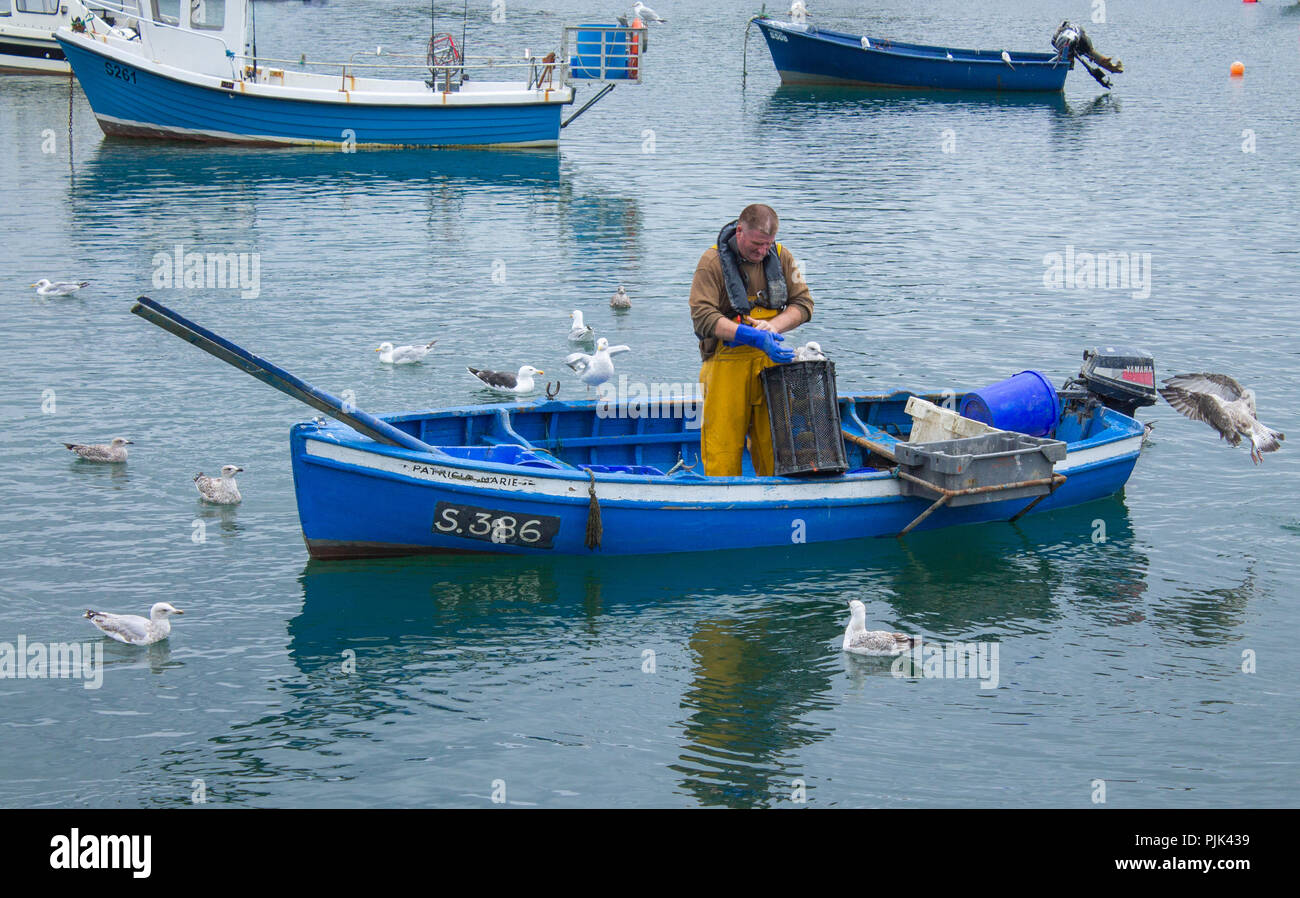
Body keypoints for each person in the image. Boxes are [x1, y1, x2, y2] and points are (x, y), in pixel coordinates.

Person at [689, 204, 813, 476]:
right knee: (722, 450)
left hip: (772, 364)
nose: (761, 252)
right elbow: (702, 316)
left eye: (767, 245)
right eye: (756, 244)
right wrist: (750, 336)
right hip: (725, 368)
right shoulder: (711, 263)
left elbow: (803, 304)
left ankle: (776, 501)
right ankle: (723, 504)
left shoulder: (782, 257)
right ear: (740, 231)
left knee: (776, 448)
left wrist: (772, 328)